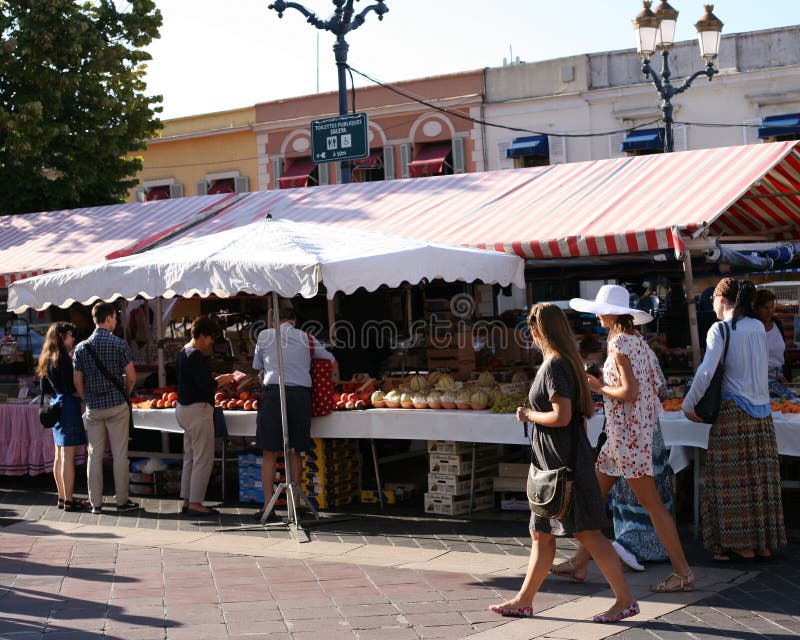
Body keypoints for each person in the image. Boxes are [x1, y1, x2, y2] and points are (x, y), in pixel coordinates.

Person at [489, 303, 638, 624]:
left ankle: (625, 600)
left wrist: (528, 414)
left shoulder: (555, 366)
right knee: (542, 534)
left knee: (588, 534)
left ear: (539, 331)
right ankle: (524, 600)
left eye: (531, 330)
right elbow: (580, 419)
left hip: (563, 467)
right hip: (559, 465)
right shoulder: (565, 363)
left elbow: (563, 416)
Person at [560, 285, 693, 593]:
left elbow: (629, 393)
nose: (596, 314)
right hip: (632, 435)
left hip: (626, 437)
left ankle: (683, 572)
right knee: (595, 497)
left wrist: (598, 386)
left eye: (600, 309)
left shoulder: (619, 342)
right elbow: (657, 387)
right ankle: (580, 562)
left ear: (612, 313)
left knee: (653, 506)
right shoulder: (640, 343)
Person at [682, 278, 787, 561]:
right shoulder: (759, 328)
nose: (711, 305)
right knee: (759, 482)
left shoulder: (721, 329)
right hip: (762, 415)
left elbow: (706, 371)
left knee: (730, 482)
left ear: (723, 300)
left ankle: (739, 544)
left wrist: (688, 403)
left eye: (713, 299)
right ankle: (762, 542)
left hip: (733, 414)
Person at [252, 307, 336, 520]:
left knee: (269, 451)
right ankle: (295, 505)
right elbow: (330, 359)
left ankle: (267, 505)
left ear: (275, 320)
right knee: (295, 450)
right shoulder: (306, 337)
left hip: (272, 394)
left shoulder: (264, 335)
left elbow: (257, 366)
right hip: (299, 395)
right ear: (294, 320)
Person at [73, 302, 138, 515]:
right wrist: (124, 394)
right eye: (115, 317)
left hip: (94, 407)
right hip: (117, 405)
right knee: (120, 454)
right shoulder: (119, 344)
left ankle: (96, 504)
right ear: (109, 317)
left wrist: (87, 398)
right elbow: (132, 377)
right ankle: (121, 501)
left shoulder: (81, 348)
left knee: (94, 454)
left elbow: (78, 382)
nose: (116, 321)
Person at [175, 316, 236, 516]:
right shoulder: (195, 355)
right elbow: (206, 385)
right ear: (201, 335)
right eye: (210, 337)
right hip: (197, 410)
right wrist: (224, 379)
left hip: (184, 409)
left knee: (190, 457)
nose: (211, 342)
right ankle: (196, 502)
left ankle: (187, 499)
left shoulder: (183, 352)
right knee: (203, 458)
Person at [37, 322, 88, 512]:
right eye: (70, 335)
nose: (73, 338)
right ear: (61, 337)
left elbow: (45, 388)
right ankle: (68, 500)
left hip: (56, 405)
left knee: (59, 455)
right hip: (68, 407)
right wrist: (84, 395)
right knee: (68, 456)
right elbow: (72, 387)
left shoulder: (47, 358)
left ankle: (61, 497)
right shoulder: (64, 359)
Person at [754, 288, 796, 399]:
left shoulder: (777, 323)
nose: (769, 311)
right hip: (760, 380)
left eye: (772, 307)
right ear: (756, 308)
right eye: (765, 308)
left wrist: (783, 377)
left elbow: (782, 354)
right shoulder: (752, 328)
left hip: (780, 376)